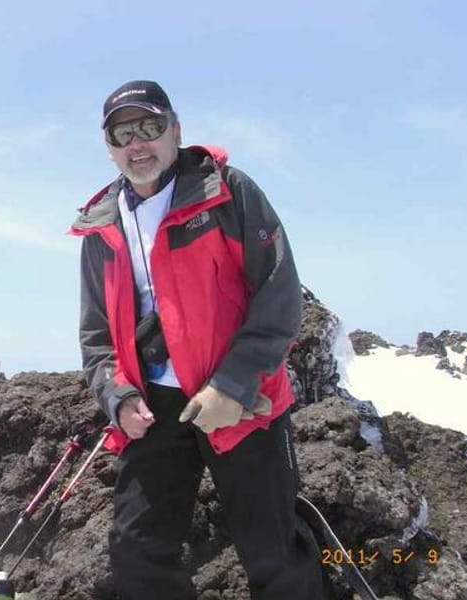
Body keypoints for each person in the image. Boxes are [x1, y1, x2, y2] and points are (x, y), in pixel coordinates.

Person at [72, 81, 330, 599]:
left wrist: (233, 386)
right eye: (123, 133)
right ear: (109, 147)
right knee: (136, 551)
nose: (137, 143)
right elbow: (96, 335)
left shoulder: (226, 190)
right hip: (154, 406)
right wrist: (117, 398)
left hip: (240, 398)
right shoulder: (101, 225)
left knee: (272, 550)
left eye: (149, 127)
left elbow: (279, 294)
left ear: (176, 130)